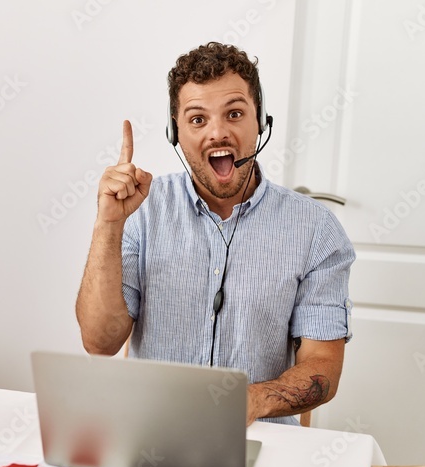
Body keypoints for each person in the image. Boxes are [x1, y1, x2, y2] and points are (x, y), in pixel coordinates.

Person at [75, 42, 355, 426]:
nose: (218, 133)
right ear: (175, 132)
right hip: (151, 432)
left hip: (258, 440)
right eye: (197, 120)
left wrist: (252, 401)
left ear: (261, 122)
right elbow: (99, 343)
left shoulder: (316, 231)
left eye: (235, 114)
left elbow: (323, 368)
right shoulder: (142, 210)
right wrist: (109, 225)